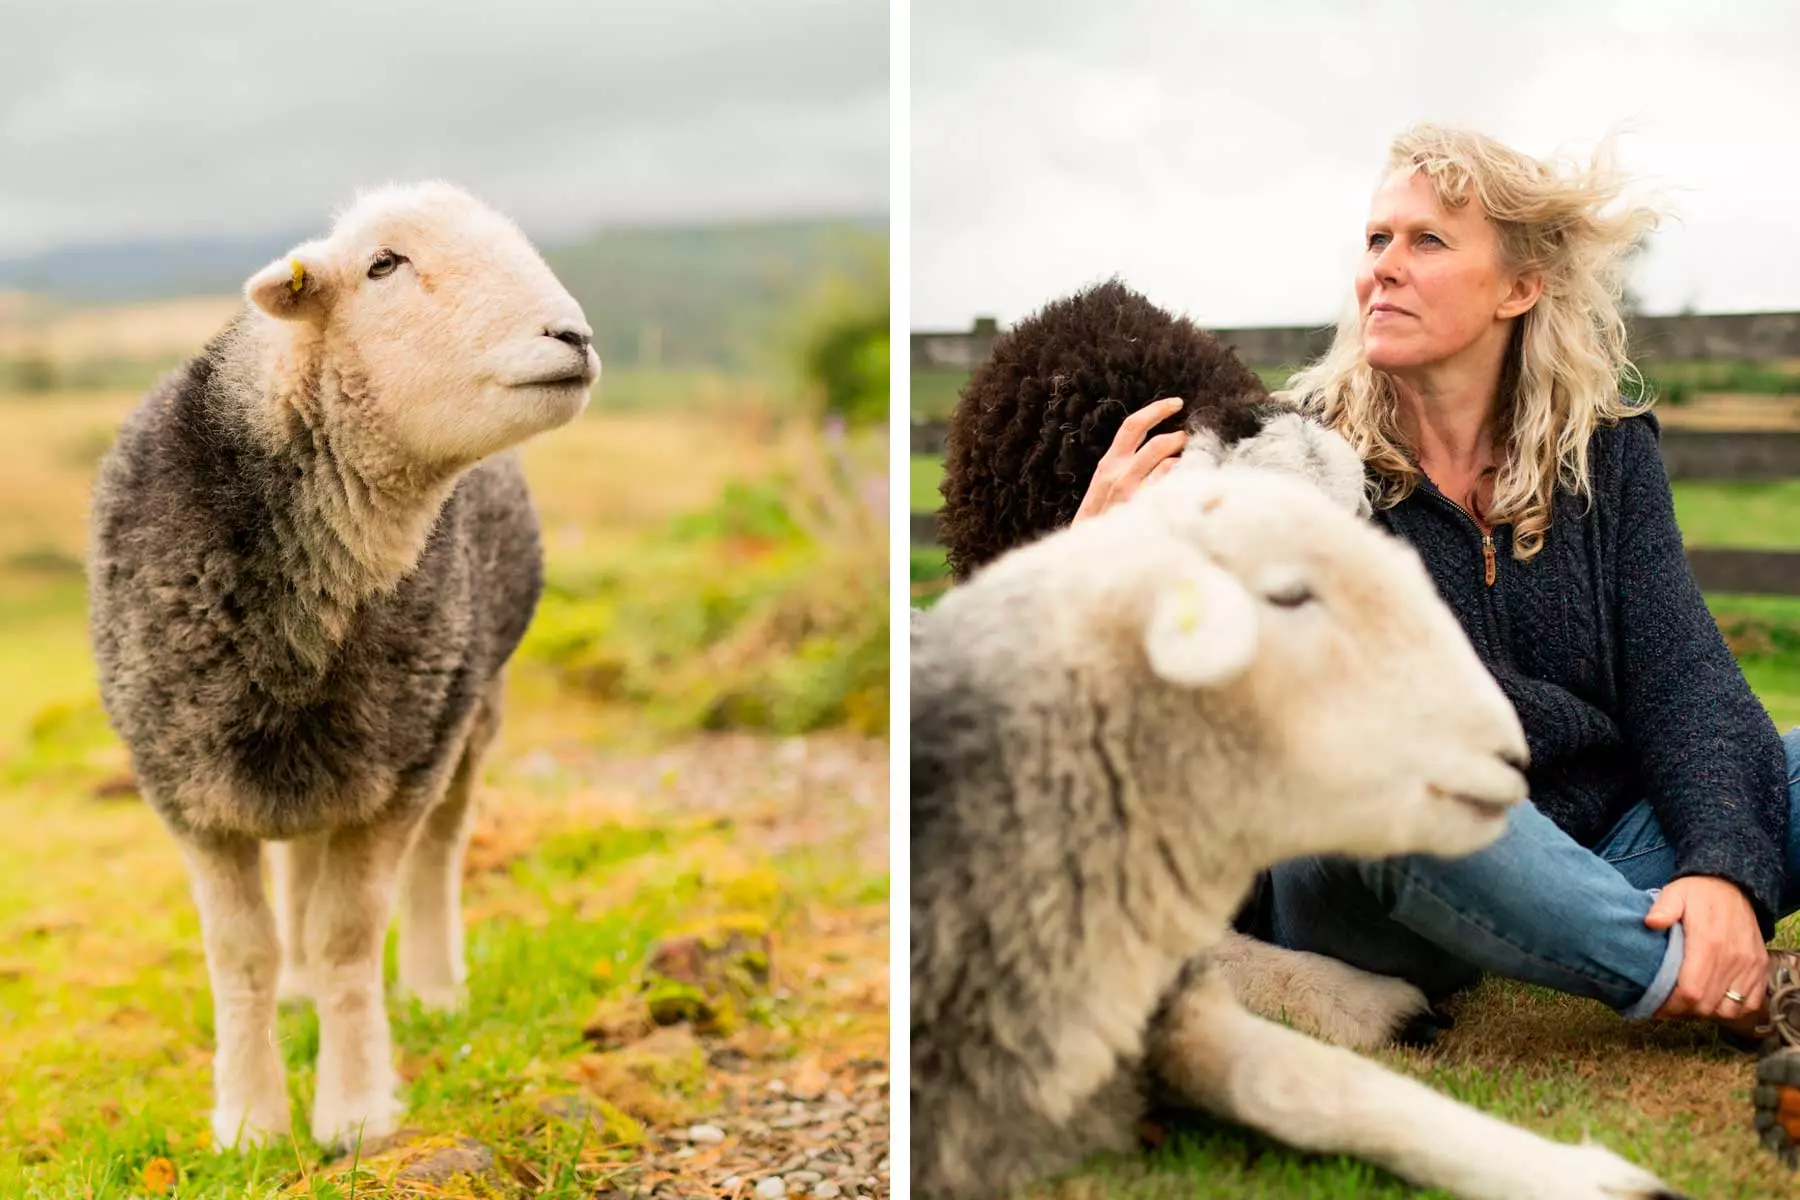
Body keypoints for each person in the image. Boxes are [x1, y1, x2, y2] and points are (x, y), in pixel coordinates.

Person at [1067, 124, 1800, 1059]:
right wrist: (1094, 561)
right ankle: (1704, 981)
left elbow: (1685, 679)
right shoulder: (1290, 458)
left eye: (1428, 242)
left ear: (1520, 288)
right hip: (1369, 874)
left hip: (1588, 848)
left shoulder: (1605, 457)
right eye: (1377, 240)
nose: (1384, 268)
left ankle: (1617, 927)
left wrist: (1721, 873)